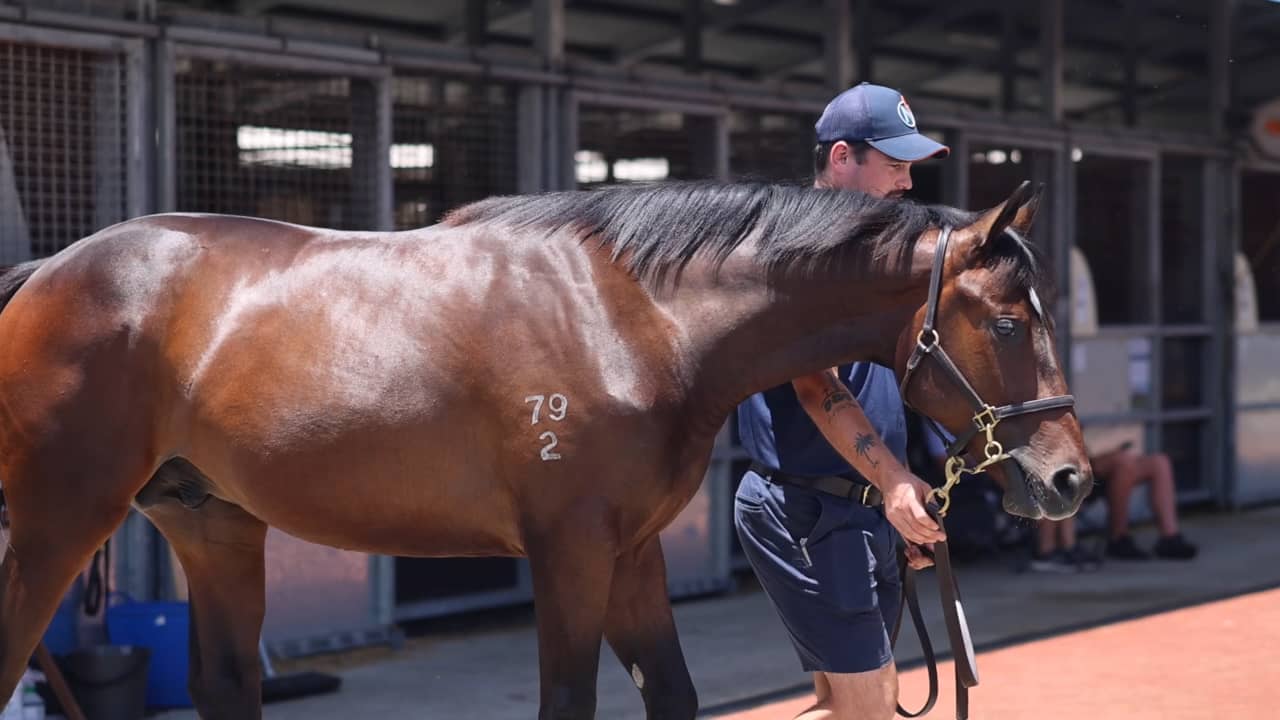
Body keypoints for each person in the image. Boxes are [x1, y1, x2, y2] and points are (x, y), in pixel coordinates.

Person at [734, 82, 950, 720]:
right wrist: (893, 485)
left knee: (843, 703)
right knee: (870, 711)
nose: (906, 184)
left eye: (910, 166)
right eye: (894, 164)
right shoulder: (799, 253)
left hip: (856, 511)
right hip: (809, 510)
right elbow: (816, 385)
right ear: (840, 158)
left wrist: (894, 505)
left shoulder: (862, 254)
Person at [1028, 439, 1197, 572]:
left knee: (1159, 461)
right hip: (1076, 470)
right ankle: (1119, 536)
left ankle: (1170, 537)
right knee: (1122, 463)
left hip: (1093, 461)